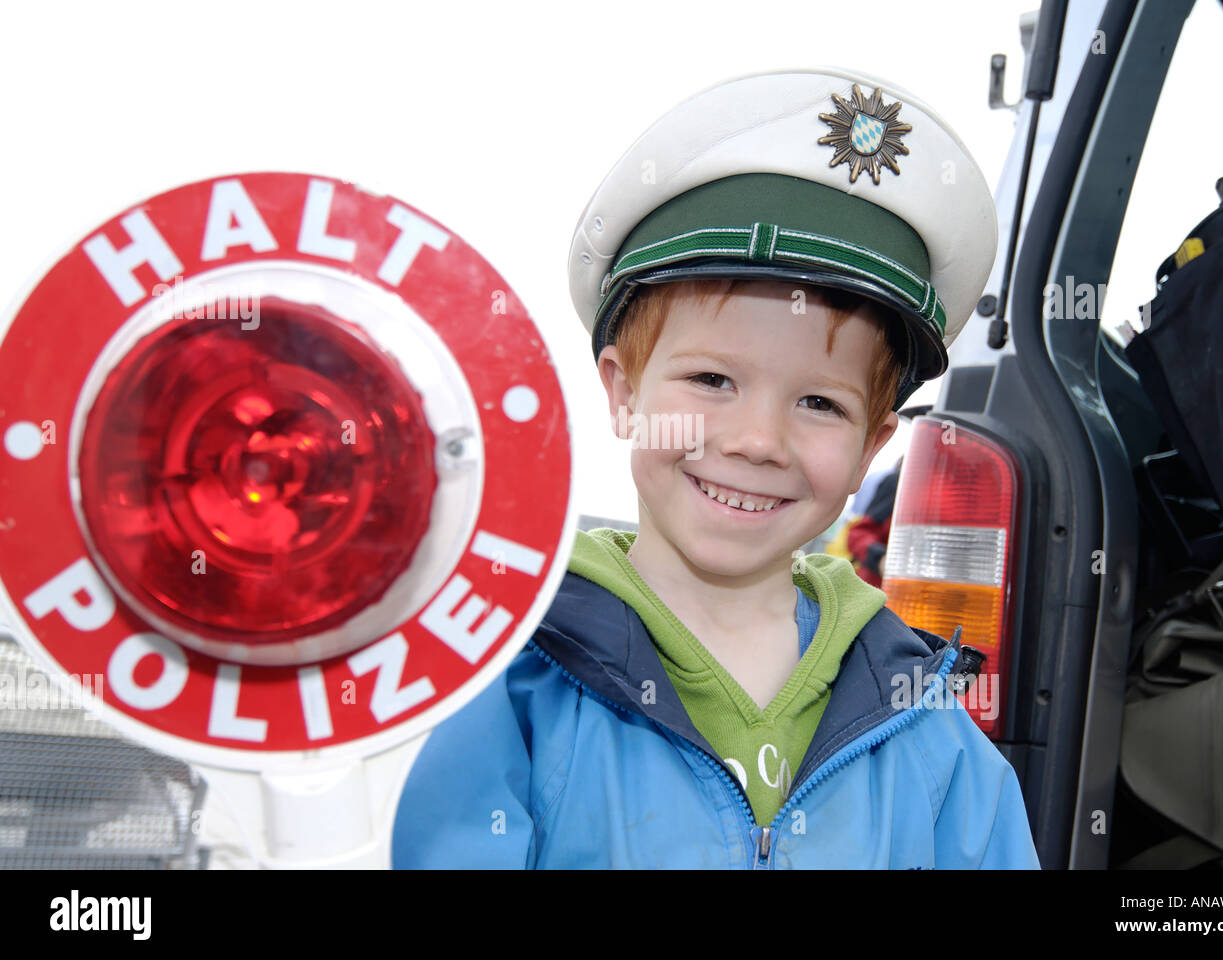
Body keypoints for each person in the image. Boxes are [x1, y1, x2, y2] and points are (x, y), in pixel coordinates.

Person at [392, 67, 1040, 868]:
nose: (757, 440)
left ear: (873, 447)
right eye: (712, 381)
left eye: (819, 404)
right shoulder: (514, 684)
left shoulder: (928, 727)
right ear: (623, 393)